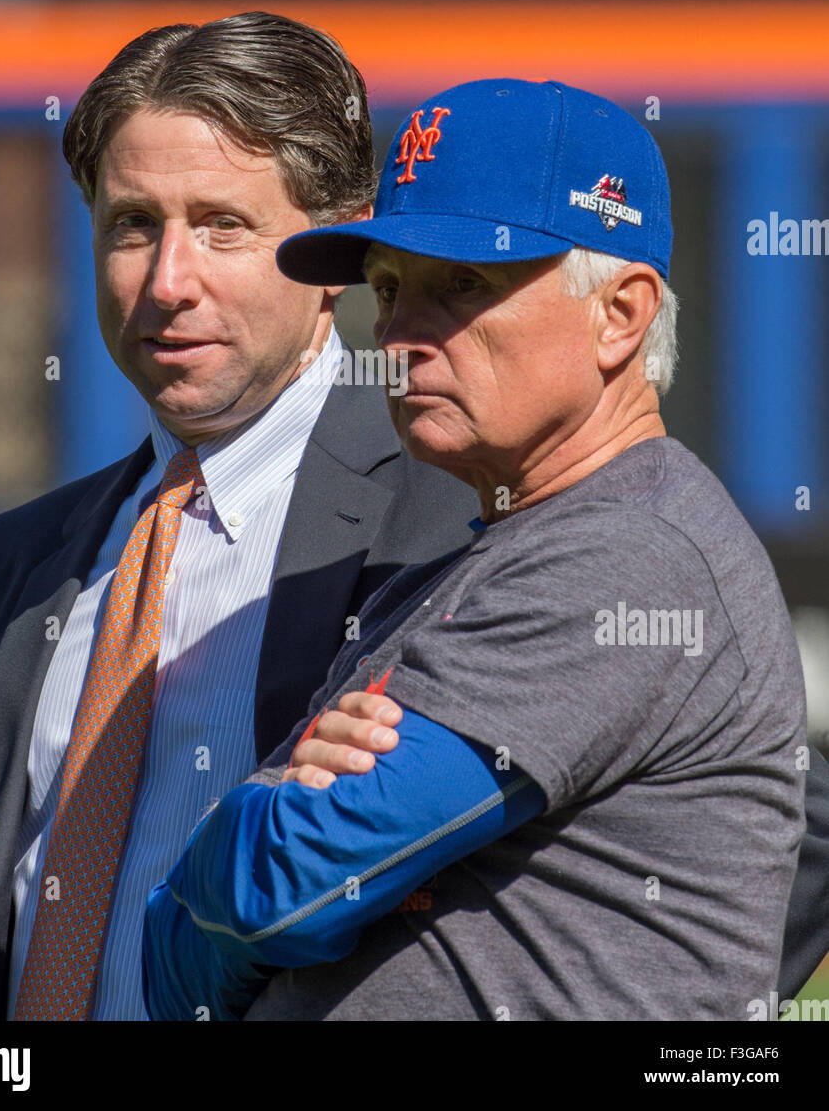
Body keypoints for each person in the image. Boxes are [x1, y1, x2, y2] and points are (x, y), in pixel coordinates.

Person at [144, 76, 827, 1021]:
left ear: (620, 314)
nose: (399, 338)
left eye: (463, 284)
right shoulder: (456, 567)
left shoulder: (630, 550)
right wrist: (240, 864)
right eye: (388, 290)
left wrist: (220, 851)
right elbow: (178, 968)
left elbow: (287, 889)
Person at [0, 12, 480, 1021]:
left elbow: (776, 843)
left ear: (336, 254)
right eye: (133, 223)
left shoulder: (462, 518)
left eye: (222, 224)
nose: (167, 280)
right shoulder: (7, 565)